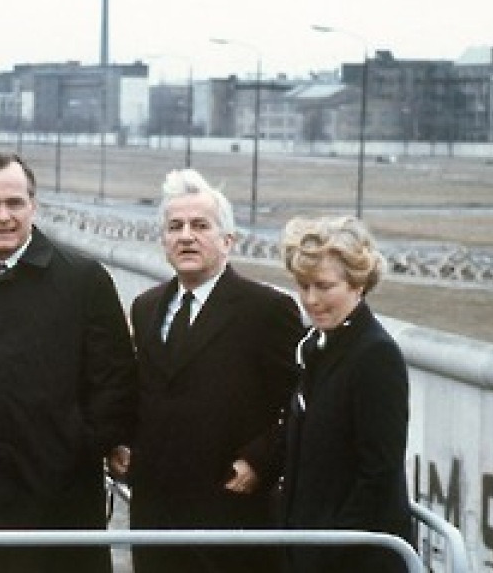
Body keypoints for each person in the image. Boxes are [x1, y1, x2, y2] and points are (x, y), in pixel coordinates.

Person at [0, 151, 135, 573]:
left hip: (57, 499)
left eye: (15, 203)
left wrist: (72, 446)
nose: (3, 216)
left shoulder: (83, 279)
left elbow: (116, 383)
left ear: (34, 205)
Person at [113, 169, 304, 573]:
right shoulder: (146, 308)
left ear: (227, 240)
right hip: (156, 518)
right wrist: (121, 443)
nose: (186, 236)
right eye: (175, 227)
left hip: (229, 513)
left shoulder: (266, 311)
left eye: (200, 225)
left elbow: (301, 401)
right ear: (163, 241)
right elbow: (143, 393)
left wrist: (261, 462)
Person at [277, 216, 413, 573]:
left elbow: (379, 473)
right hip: (311, 549)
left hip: (353, 560)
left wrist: (328, 551)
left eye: (324, 286)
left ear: (358, 284)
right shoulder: (317, 348)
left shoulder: (375, 356)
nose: (311, 300)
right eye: (303, 286)